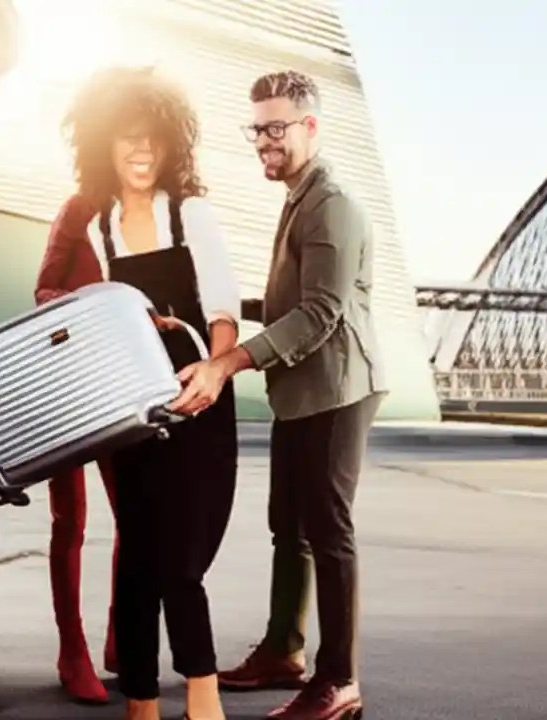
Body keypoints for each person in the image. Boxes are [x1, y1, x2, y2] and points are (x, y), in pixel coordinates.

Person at [169, 70, 387, 720]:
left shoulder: (333, 204)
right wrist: (201, 311)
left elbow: (320, 313)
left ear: (310, 127)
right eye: (257, 128)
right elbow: (295, 299)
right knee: (286, 528)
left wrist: (230, 360)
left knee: (328, 531)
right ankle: (282, 651)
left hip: (338, 390)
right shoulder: (300, 195)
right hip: (302, 391)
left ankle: (339, 681)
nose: (264, 140)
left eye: (277, 128)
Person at [63, 65, 241, 720]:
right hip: (137, 406)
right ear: (105, 145)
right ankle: (141, 704)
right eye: (126, 138)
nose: (140, 151)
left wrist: (213, 376)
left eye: (152, 140)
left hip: (198, 404)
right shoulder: (102, 226)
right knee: (136, 558)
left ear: (170, 146)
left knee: (179, 563)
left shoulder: (192, 213)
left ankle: (204, 699)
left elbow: (223, 311)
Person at [33, 193, 120, 705]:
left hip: (119, 385)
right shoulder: (78, 210)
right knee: (70, 522)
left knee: (131, 516)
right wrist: (82, 307)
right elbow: (41, 286)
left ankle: (119, 638)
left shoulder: (148, 214)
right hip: (66, 381)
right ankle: (73, 652)